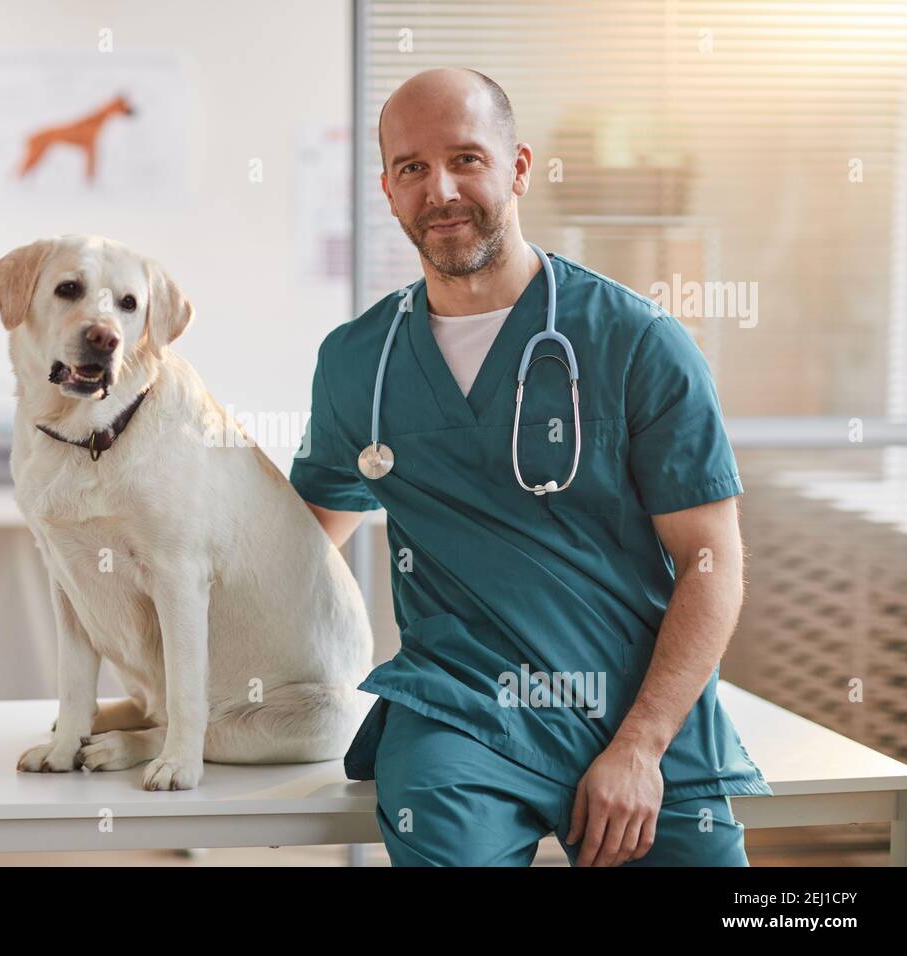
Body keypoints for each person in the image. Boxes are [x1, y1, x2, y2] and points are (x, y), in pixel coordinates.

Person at [289, 67, 772, 867]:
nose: (439, 188)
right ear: (387, 188)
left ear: (517, 168)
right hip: (461, 718)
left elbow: (709, 561)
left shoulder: (638, 343)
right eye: (412, 168)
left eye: (466, 159)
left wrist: (642, 747)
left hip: (635, 703)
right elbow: (299, 549)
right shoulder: (356, 364)